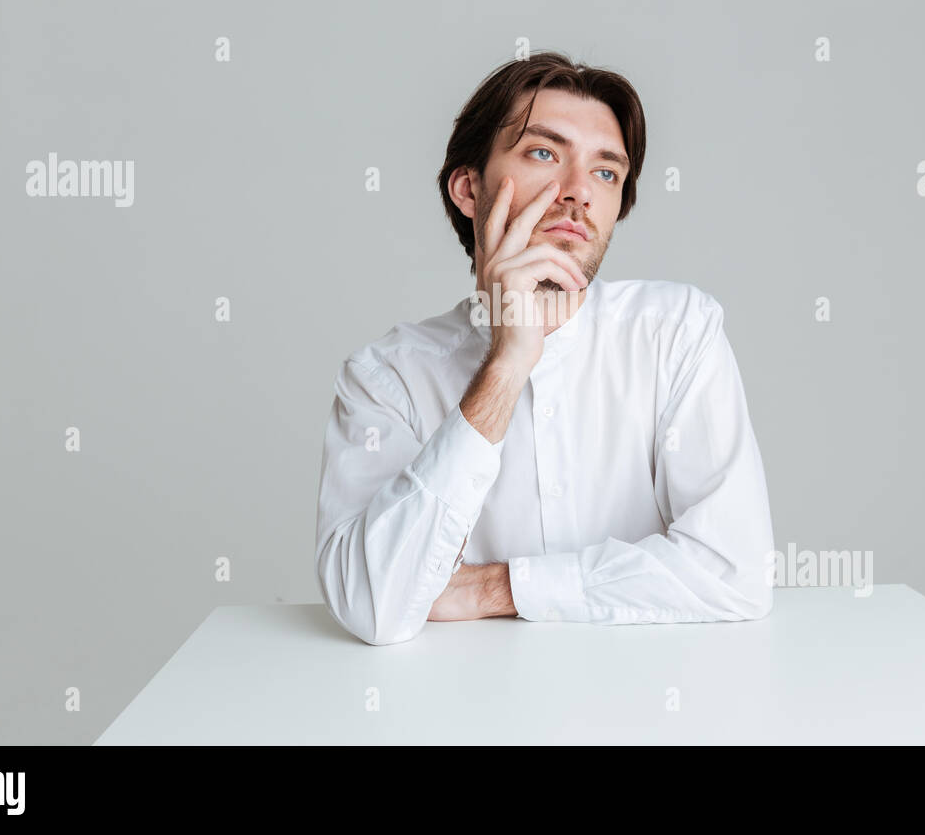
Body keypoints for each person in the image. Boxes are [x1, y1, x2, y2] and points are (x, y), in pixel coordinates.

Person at [315, 51, 774, 645]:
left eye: (606, 172)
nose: (579, 193)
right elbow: (372, 606)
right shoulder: (385, 378)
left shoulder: (678, 332)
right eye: (544, 153)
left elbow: (736, 574)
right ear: (469, 189)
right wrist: (507, 363)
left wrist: (494, 587)